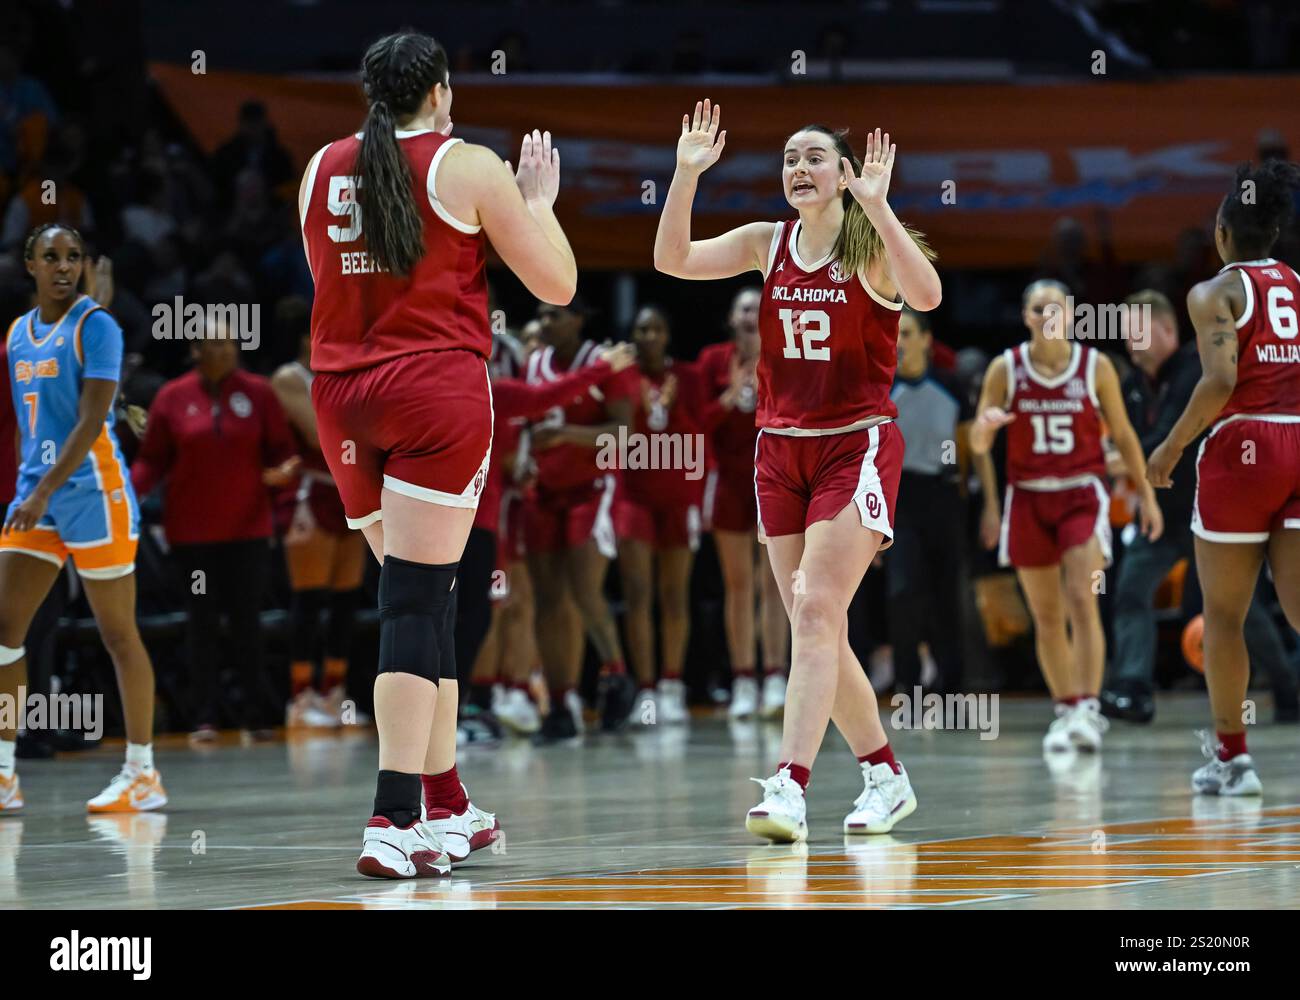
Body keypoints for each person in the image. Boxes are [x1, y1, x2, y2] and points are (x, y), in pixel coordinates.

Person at [300, 30, 577, 877]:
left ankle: (449, 804)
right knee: (416, 609)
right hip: (432, 391)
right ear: (444, 91)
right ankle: (393, 819)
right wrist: (539, 206)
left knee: (429, 602)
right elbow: (558, 286)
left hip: (341, 396)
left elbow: (331, 282)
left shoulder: (319, 166)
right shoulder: (469, 167)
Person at [656, 104, 942, 841]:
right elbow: (673, 260)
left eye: (815, 157)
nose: (799, 169)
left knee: (814, 614)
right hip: (779, 450)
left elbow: (930, 296)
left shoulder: (872, 245)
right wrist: (685, 175)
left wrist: (880, 211)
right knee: (816, 627)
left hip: (857, 445)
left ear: (846, 175)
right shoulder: (766, 241)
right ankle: (885, 775)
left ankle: (788, 785)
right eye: (789, 158)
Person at [1147, 160, 1300, 797]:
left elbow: (1219, 381)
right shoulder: (1294, 282)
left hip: (1243, 447)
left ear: (1221, 232)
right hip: (1298, 436)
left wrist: (1170, 447)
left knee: (1225, 616)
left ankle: (1234, 761)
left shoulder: (1214, 293)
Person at [0, 223, 163, 814]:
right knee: (4, 630)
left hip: (94, 493)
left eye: (74, 257)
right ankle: (3, 773)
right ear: (30, 265)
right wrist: (31, 483)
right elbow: (29, 421)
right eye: (51, 257)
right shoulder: (17, 334)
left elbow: (93, 420)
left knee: (119, 633)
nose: (64, 266)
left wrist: (40, 490)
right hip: (37, 494)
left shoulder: (98, 326)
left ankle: (142, 771)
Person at [970, 280, 1163, 753]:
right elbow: (977, 445)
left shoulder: (1094, 367)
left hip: (1081, 494)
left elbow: (1125, 434)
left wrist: (1148, 496)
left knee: (1082, 596)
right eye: (1039, 308)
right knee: (1046, 615)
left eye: (1056, 308)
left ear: (1072, 313)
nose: (1048, 315)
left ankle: (1089, 709)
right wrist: (984, 431)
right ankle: (1066, 707)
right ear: (1026, 316)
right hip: (1029, 497)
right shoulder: (1005, 369)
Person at [1103, 290, 1298, 723]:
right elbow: (1130, 446)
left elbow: (1165, 439)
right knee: (1131, 589)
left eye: (1138, 329)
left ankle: (1288, 689)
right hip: (1161, 513)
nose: (1130, 341)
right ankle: (1134, 688)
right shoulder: (1132, 385)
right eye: (1124, 332)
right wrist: (1122, 461)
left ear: (1168, 329)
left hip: (1212, 506)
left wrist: (1119, 461)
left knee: (1235, 610)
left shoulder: (1197, 367)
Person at [132, 331, 300, 740]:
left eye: (229, 344)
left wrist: (285, 479)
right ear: (195, 351)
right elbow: (151, 461)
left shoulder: (258, 393)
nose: (223, 351)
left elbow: (284, 452)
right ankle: (204, 716)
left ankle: (257, 715)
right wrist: (123, 499)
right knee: (201, 623)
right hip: (193, 540)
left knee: (248, 623)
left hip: (249, 533)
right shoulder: (172, 397)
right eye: (212, 344)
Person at [523, 299, 638, 737]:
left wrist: (567, 434)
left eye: (554, 314)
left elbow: (624, 434)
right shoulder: (533, 364)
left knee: (583, 587)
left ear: (578, 317)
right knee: (548, 600)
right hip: (544, 490)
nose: (545, 322)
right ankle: (558, 703)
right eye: (542, 316)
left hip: (593, 489)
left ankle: (616, 673)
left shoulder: (604, 362)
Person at [270, 300, 367, 728]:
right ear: (307, 336)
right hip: (312, 491)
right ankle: (299, 698)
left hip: (350, 490)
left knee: (345, 602)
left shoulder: (343, 375)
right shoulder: (290, 377)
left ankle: (335, 696)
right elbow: (319, 433)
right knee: (309, 600)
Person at [696, 287, 789, 719]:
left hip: (775, 477)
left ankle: (774, 676)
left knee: (773, 584)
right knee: (737, 586)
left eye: (758, 307)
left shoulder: (785, 352)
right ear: (732, 318)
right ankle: (743, 680)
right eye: (744, 308)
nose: (752, 314)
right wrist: (727, 402)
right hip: (730, 484)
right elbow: (694, 423)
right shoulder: (713, 361)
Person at [887, 306, 984, 696]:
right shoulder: (882, 390)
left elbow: (966, 449)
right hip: (899, 500)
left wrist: (987, 504)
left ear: (926, 340)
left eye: (907, 333)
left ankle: (952, 684)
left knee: (948, 594)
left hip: (944, 496)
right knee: (903, 591)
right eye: (894, 334)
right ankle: (907, 683)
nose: (899, 342)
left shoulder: (950, 387)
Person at [616, 304, 704, 725]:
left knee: (674, 594)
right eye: (640, 328)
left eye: (655, 328)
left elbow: (705, 435)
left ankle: (672, 685)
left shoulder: (689, 377)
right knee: (637, 594)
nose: (647, 335)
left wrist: (675, 408)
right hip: (634, 495)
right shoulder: (623, 377)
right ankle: (646, 692)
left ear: (667, 334)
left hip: (679, 496)